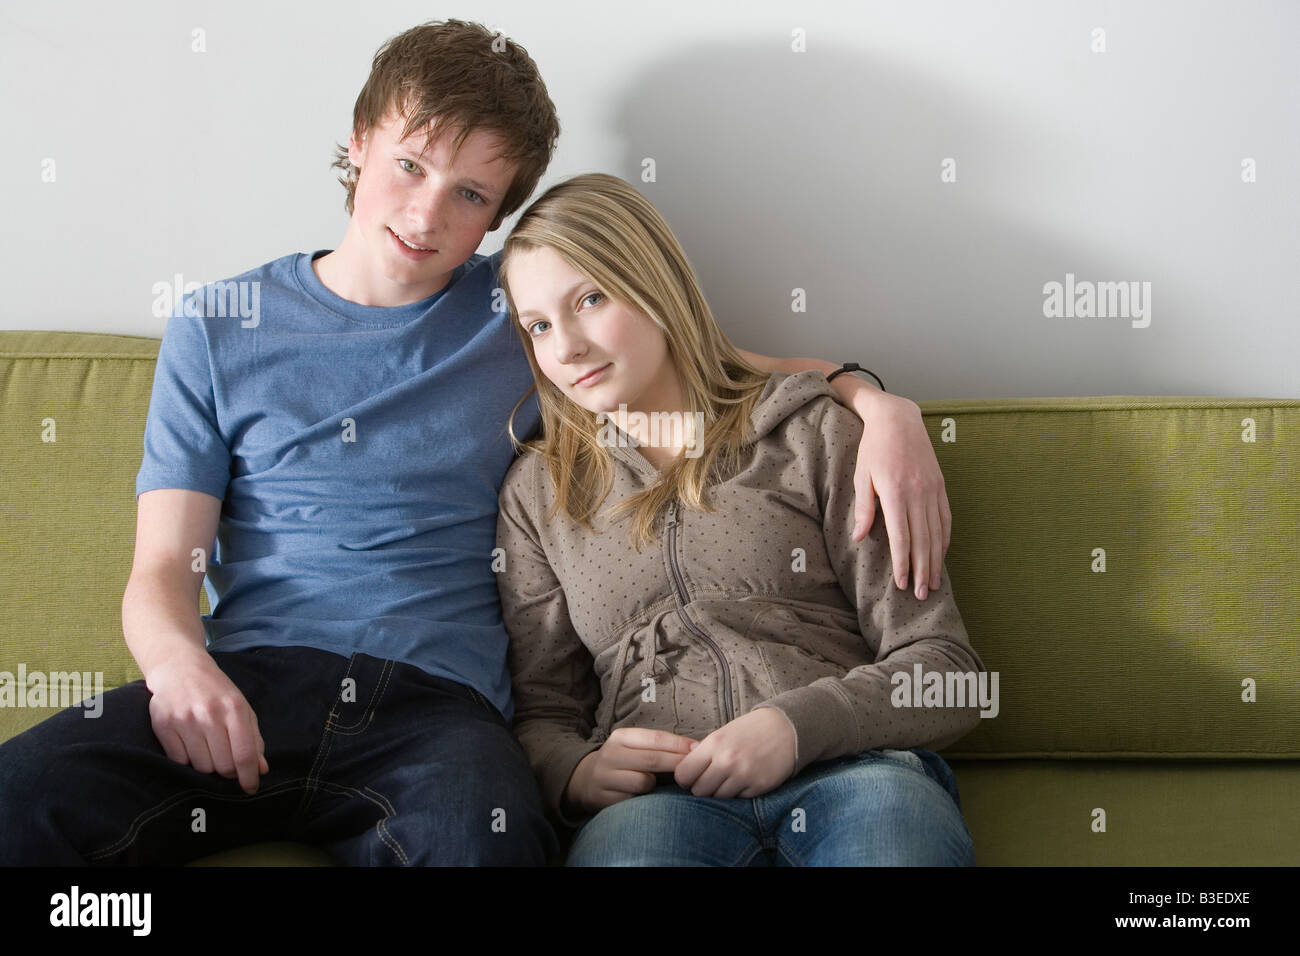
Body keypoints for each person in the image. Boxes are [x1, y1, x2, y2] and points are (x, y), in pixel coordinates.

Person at [0, 20, 953, 867]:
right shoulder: (219, 326)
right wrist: (179, 670)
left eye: (469, 194)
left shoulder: (528, 311)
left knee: (482, 836)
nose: (425, 215)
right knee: (19, 800)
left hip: (434, 711)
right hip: (249, 680)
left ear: (497, 216)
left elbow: (707, 360)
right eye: (410, 165)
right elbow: (164, 566)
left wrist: (875, 403)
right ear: (359, 141)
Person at [495, 173, 987, 866]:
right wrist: (575, 775)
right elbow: (542, 712)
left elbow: (946, 671)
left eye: (591, 299)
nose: (567, 347)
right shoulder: (539, 494)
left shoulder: (811, 435)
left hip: (856, 775)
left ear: (655, 284)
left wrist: (794, 726)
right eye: (539, 326)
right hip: (659, 808)